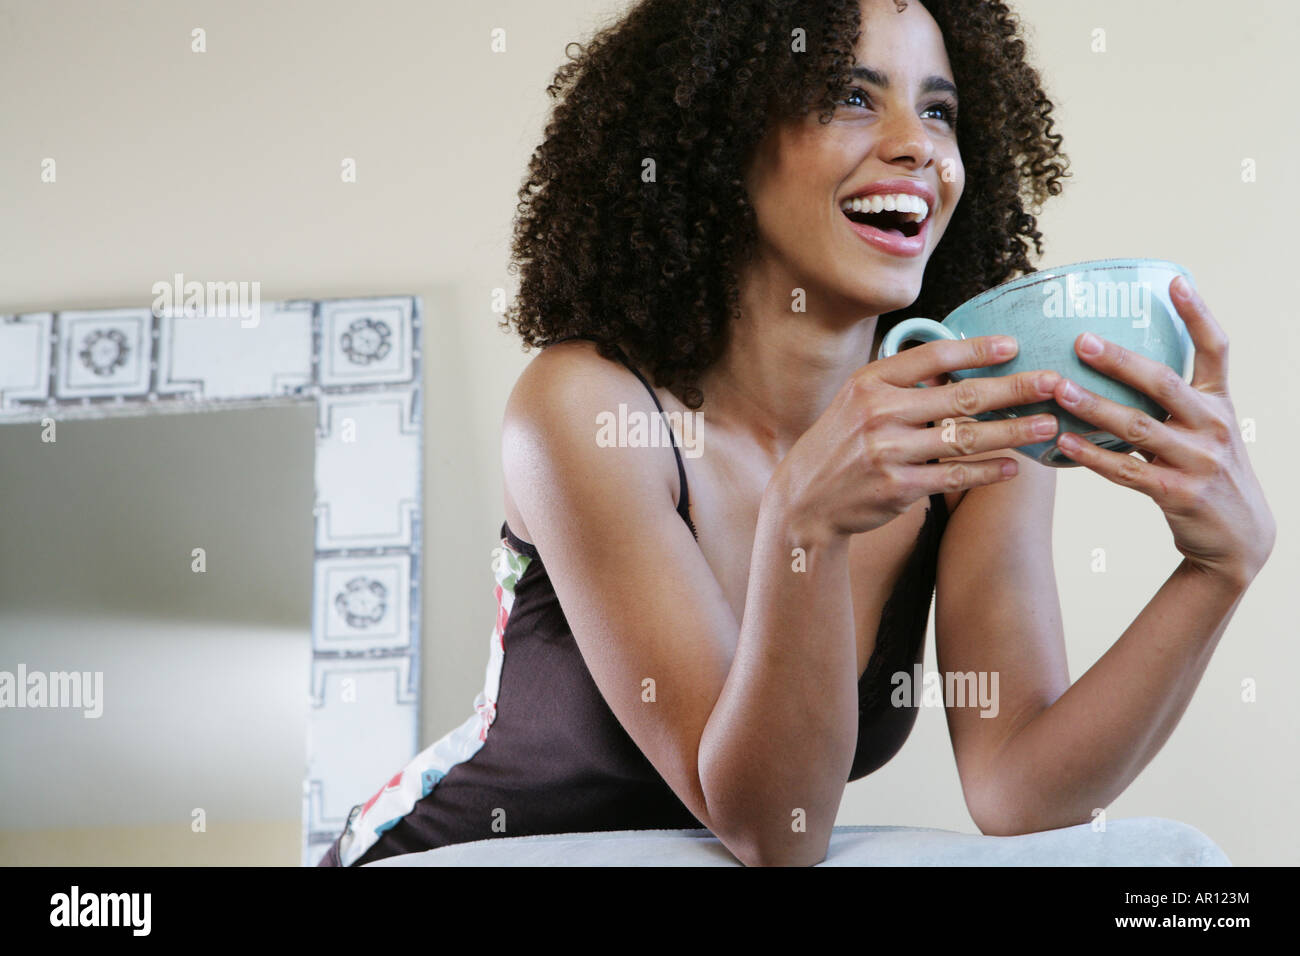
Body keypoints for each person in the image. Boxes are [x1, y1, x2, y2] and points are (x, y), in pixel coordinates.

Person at [319, 0, 1274, 867]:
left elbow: (1020, 788)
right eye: (852, 97)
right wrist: (805, 527)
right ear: (720, 138)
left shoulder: (979, 427)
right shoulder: (585, 409)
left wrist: (1215, 573)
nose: (917, 148)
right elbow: (772, 830)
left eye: (939, 112)